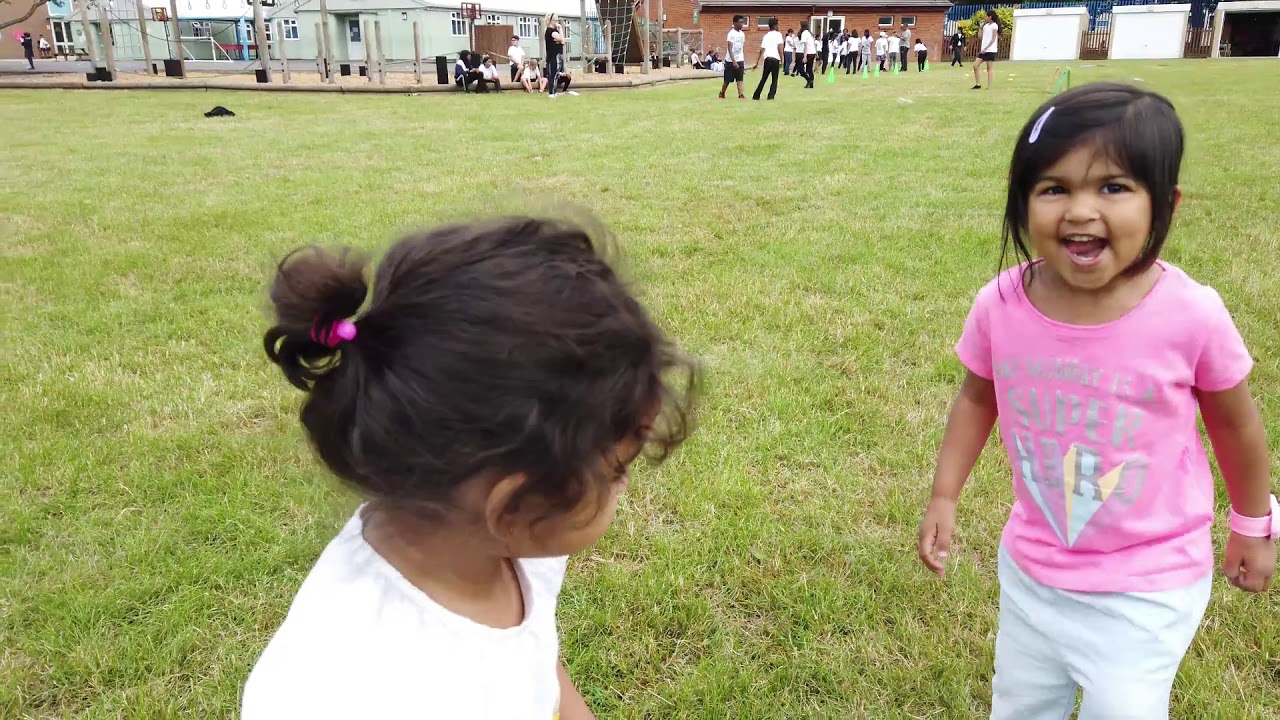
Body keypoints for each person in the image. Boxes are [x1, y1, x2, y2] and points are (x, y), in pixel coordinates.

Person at [916, 83, 1278, 720]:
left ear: (1165, 204)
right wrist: (945, 492)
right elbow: (978, 397)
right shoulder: (1000, 305)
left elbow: (1236, 427)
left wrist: (1251, 524)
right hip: (1032, 568)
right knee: (1021, 707)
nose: (1080, 210)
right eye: (1054, 188)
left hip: (1148, 583)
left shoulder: (1190, 315)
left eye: (1113, 187)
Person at [243, 217, 699, 719]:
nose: (625, 486)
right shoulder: (353, 687)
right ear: (514, 504)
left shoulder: (505, 546)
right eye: (615, 472)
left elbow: (537, 661)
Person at [751, 17, 783, 101]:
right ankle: (770, 96)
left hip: (767, 59)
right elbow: (780, 48)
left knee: (764, 78)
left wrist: (757, 62)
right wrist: (782, 60)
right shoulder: (778, 35)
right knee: (774, 79)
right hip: (775, 59)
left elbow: (761, 50)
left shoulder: (766, 36)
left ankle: (756, 95)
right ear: (775, 26)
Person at [718, 15, 746, 100]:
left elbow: (741, 46)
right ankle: (722, 93)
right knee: (727, 79)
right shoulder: (731, 34)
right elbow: (730, 49)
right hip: (730, 60)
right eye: (740, 22)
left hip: (740, 59)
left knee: (740, 78)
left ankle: (741, 94)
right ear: (734, 23)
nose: (742, 24)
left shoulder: (742, 34)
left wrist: (740, 59)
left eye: (742, 22)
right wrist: (734, 61)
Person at [973, 10, 1000, 90]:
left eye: (986, 16)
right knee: (975, 65)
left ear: (990, 17)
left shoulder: (994, 26)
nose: (985, 18)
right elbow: (980, 37)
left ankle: (989, 86)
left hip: (990, 50)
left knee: (989, 68)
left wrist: (986, 48)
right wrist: (980, 28)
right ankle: (978, 84)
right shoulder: (986, 26)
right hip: (983, 50)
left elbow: (993, 39)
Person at [544, 17, 565, 96]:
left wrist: (560, 29)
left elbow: (562, 41)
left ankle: (554, 91)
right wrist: (560, 31)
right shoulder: (550, 31)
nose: (557, 21)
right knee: (552, 74)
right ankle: (551, 92)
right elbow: (561, 38)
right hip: (552, 56)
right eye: (555, 19)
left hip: (557, 55)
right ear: (551, 20)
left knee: (556, 74)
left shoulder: (555, 31)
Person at [798, 23, 816, 88]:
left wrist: (805, 56)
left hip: (808, 53)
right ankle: (811, 84)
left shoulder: (804, 33)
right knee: (809, 69)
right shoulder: (809, 33)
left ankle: (809, 80)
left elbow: (805, 46)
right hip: (812, 52)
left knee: (800, 68)